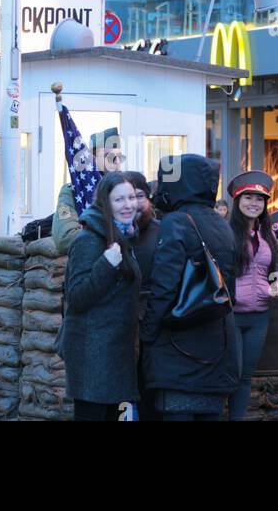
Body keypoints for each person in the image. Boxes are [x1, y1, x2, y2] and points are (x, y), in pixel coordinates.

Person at [141, 154, 239, 421]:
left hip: (179, 354)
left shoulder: (176, 222)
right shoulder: (222, 224)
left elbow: (163, 289)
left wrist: (146, 336)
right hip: (218, 347)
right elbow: (231, 289)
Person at [62, 172, 142, 420]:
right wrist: (106, 265)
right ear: (105, 204)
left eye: (131, 197)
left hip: (116, 353)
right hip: (93, 358)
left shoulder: (124, 236)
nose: (128, 204)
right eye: (119, 200)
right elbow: (76, 297)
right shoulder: (89, 240)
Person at [225, 171, 278, 420]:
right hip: (231, 314)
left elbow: (276, 272)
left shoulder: (267, 236)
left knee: (245, 377)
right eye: (248, 197)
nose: (254, 203)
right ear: (237, 200)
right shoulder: (226, 233)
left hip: (259, 317)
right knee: (231, 373)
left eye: (259, 199)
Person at [52, 127, 124, 256]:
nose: (117, 162)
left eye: (119, 157)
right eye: (109, 157)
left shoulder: (127, 190)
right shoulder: (72, 192)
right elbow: (65, 238)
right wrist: (112, 237)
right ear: (93, 158)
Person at [124, 171, 161, 420]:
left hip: (152, 325)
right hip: (121, 326)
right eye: (128, 197)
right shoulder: (113, 234)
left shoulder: (161, 233)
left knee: (149, 391)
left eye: (139, 196)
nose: (134, 203)